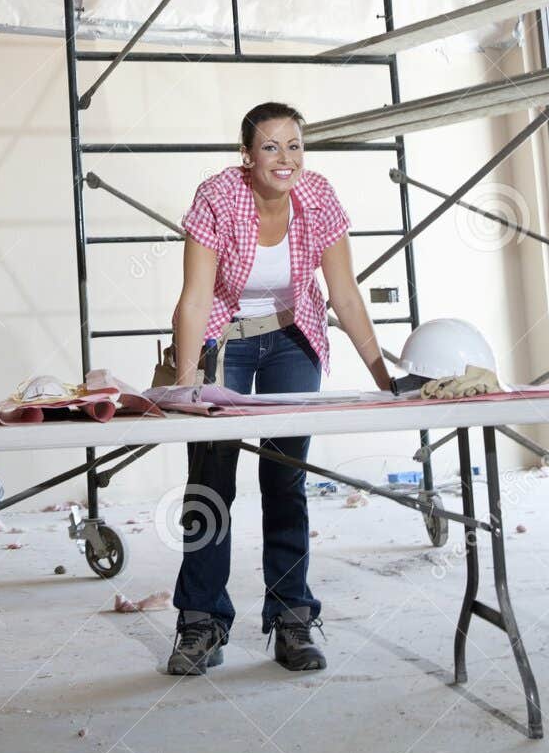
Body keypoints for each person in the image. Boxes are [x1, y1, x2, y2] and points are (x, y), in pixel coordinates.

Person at [166, 101, 390, 678]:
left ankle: (291, 618)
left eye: (294, 145)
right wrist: (188, 382)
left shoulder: (317, 197)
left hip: (293, 337)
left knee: (285, 476)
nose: (285, 159)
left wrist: (385, 377)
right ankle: (200, 622)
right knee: (211, 480)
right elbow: (194, 297)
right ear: (247, 155)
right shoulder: (218, 196)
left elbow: (344, 294)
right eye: (271, 147)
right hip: (227, 337)